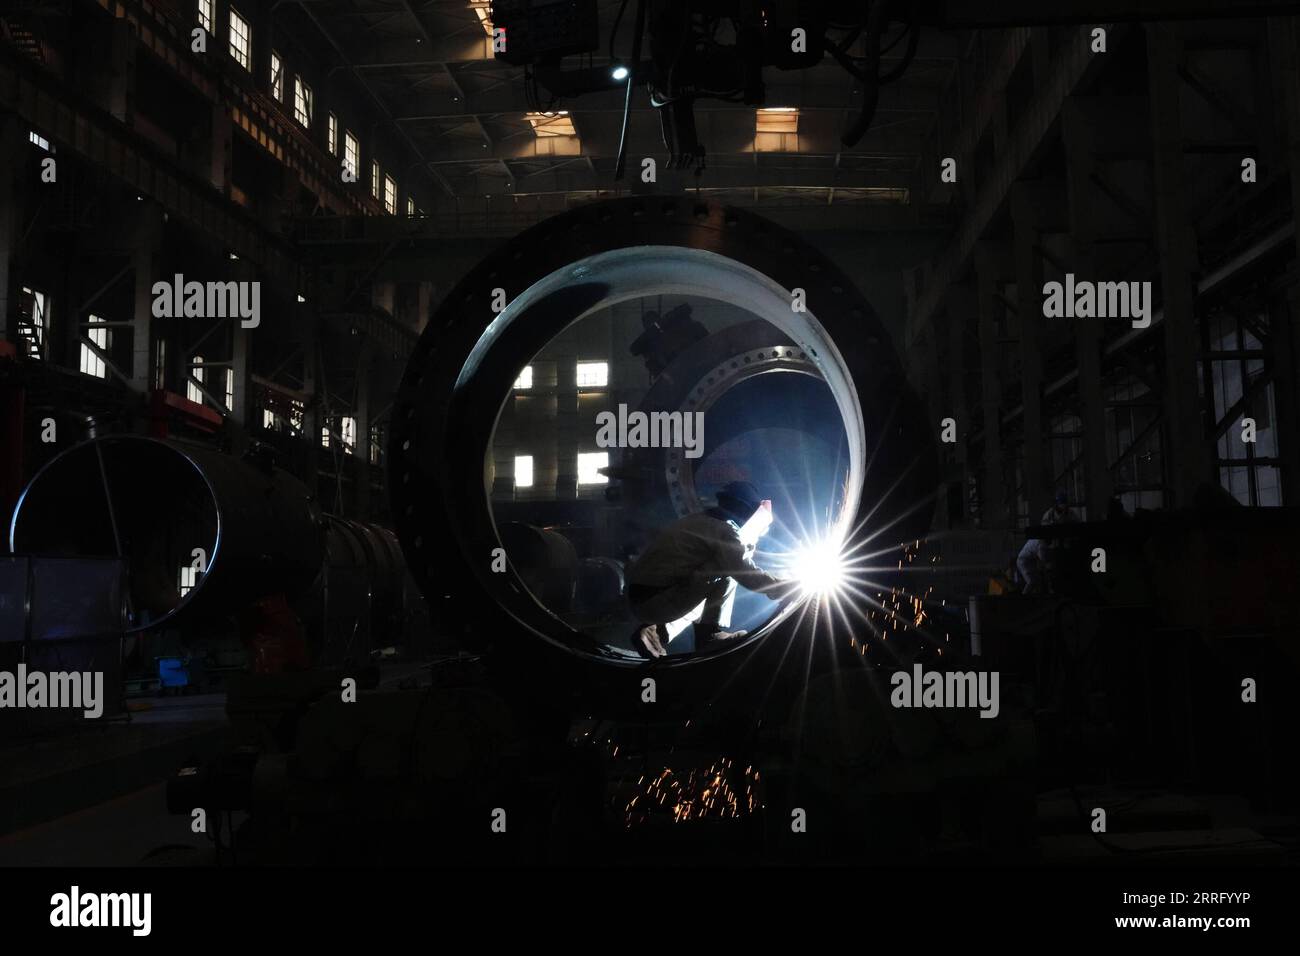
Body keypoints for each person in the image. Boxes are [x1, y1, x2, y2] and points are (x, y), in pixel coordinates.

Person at [625, 481, 791, 657]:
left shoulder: (699, 520)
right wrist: (783, 587)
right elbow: (744, 571)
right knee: (723, 569)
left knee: (706, 588)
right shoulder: (726, 530)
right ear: (746, 510)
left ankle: (655, 632)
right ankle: (709, 635)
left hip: (642, 599)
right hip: (657, 602)